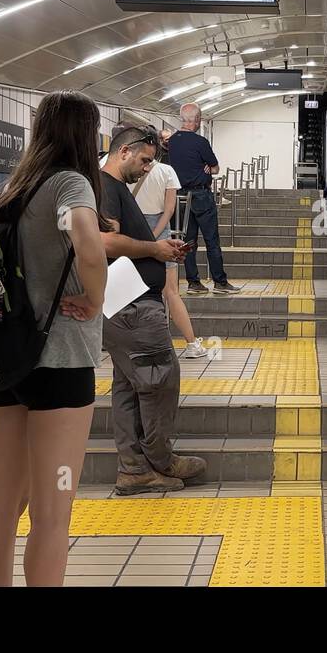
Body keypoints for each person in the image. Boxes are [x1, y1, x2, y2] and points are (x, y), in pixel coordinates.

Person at [0, 90, 110, 587]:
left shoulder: (15, 186)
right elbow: (87, 243)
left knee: (2, 500)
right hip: (61, 362)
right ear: (85, 134)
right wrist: (94, 297)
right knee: (53, 513)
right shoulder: (71, 183)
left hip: (8, 360)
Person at [95, 126, 206, 494]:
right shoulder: (106, 187)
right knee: (160, 379)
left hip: (119, 304)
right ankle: (162, 460)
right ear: (124, 151)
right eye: (144, 161)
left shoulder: (108, 188)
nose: (146, 169)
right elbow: (106, 242)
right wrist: (156, 250)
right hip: (133, 307)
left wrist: (159, 249)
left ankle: (133, 469)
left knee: (127, 386)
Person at [129, 125, 209, 359]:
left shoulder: (120, 167)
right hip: (159, 230)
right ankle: (192, 344)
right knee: (171, 292)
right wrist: (154, 236)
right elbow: (169, 209)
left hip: (129, 230)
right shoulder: (166, 171)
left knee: (127, 288)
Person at [167, 103, 241, 295]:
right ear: (197, 120)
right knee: (211, 240)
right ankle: (220, 283)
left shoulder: (171, 142)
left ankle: (193, 283)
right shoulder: (200, 142)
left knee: (188, 241)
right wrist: (207, 168)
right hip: (201, 195)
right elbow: (215, 168)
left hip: (180, 197)